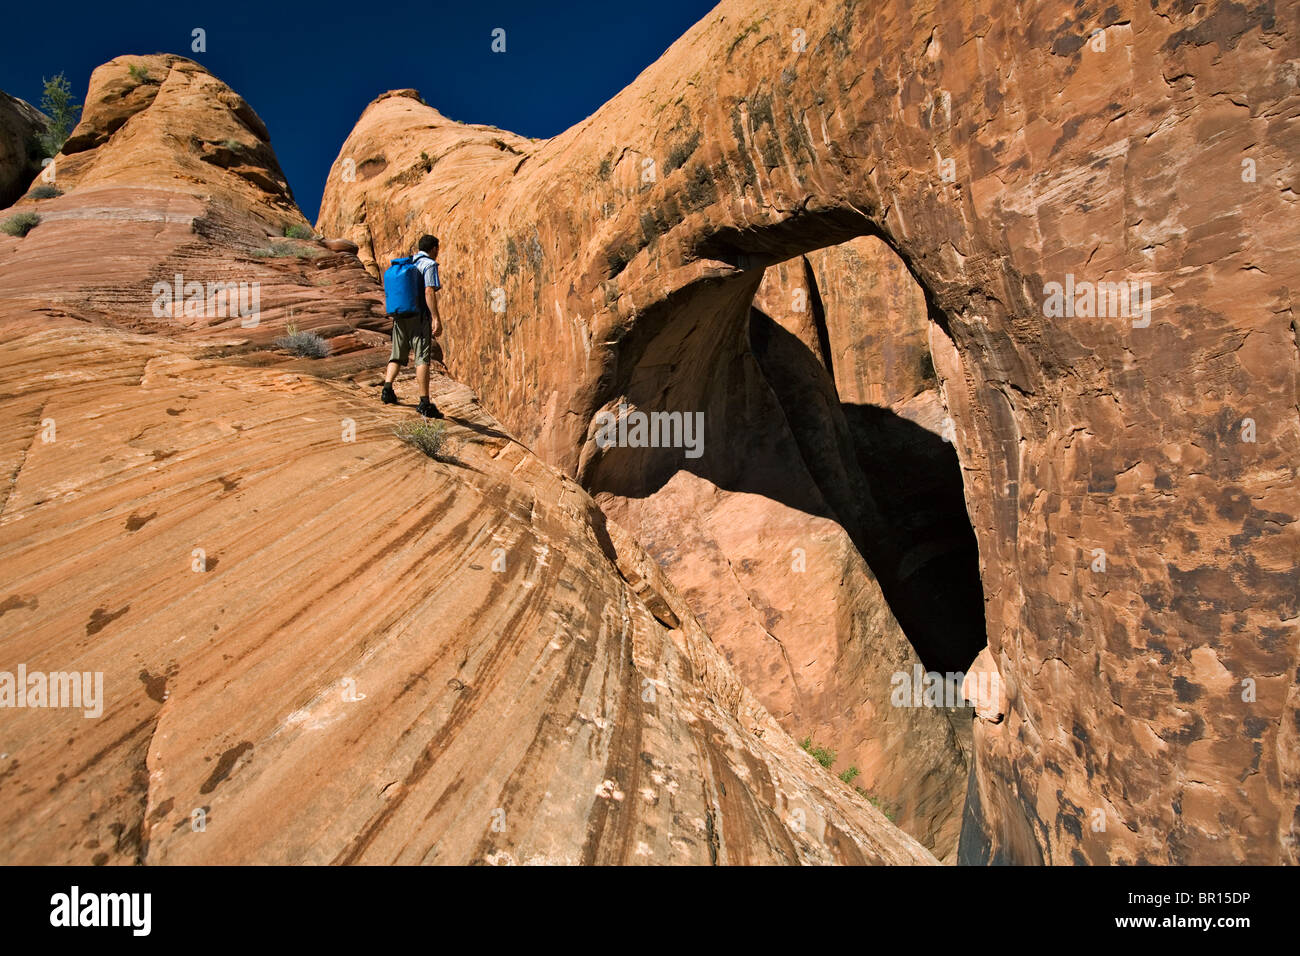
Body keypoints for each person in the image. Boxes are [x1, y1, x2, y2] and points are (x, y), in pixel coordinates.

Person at [380, 234, 443, 418]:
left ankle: (387, 389)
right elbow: (429, 290)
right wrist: (435, 317)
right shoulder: (428, 264)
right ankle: (424, 402)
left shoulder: (408, 262)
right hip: (418, 316)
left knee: (397, 354)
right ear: (434, 248)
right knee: (422, 358)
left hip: (400, 316)